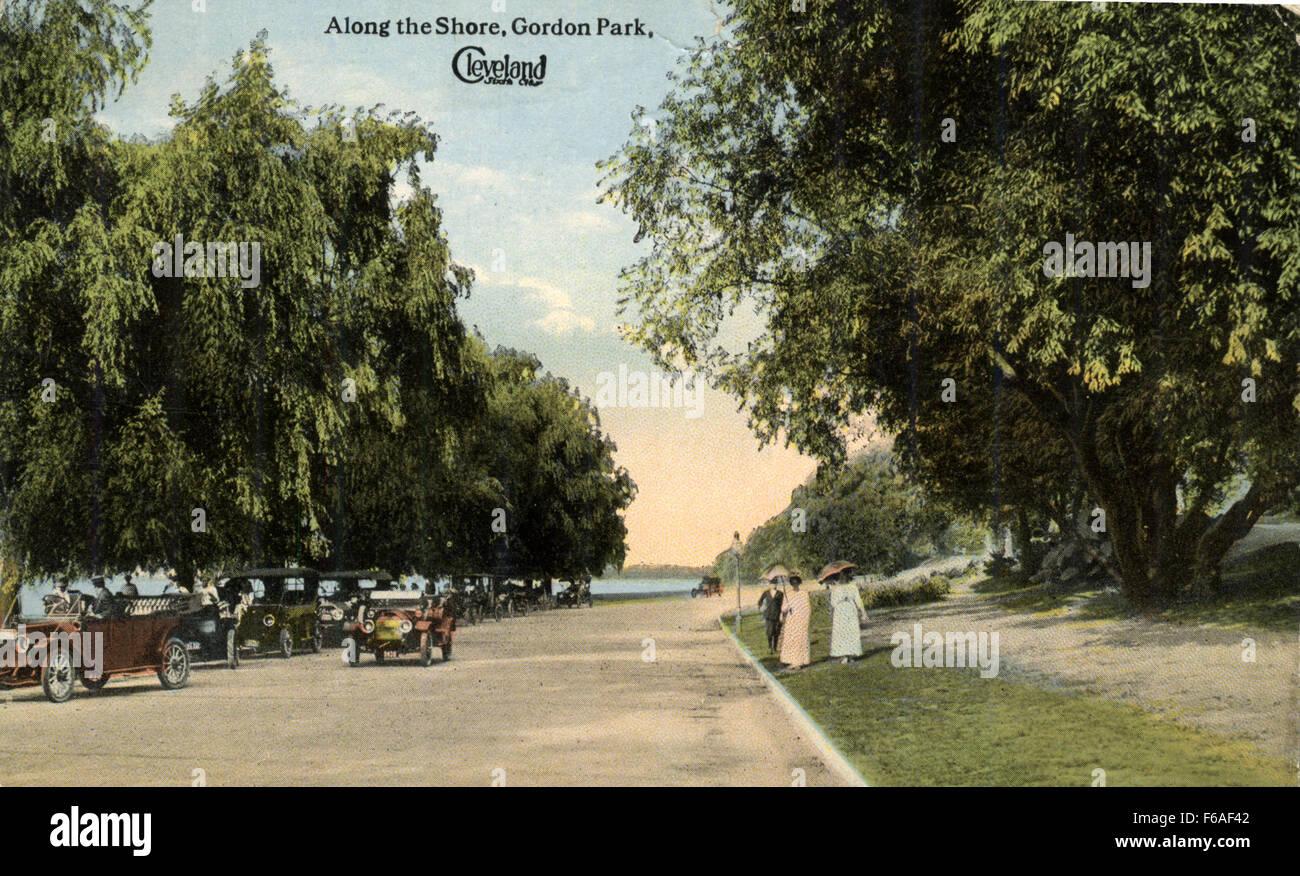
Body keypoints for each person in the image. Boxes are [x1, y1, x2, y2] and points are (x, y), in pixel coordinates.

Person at [827, 572, 866, 664]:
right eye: (841, 578)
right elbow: (833, 603)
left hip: (850, 610)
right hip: (840, 612)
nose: (843, 579)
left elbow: (858, 600)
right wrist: (840, 597)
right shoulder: (835, 589)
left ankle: (851, 654)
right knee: (842, 633)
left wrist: (863, 612)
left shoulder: (852, 587)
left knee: (851, 632)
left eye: (845, 577)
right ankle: (844, 655)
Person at [778, 575, 810, 670]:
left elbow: (807, 608)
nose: (795, 586)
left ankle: (800, 661)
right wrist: (788, 606)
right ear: (791, 584)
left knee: (800, 640)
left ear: (799, 584)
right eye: (793, 584)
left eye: (797, 584)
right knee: (792, 640)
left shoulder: (804, 594)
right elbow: (783, 608)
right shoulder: (788, 594)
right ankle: (792, 661)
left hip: (801, 619)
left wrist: (806, 619)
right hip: (791, 620)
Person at [758, 579, 785, 654]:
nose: (774, 585)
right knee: (769, 632)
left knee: (776, 632)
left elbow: (783, 603)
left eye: (775, 584)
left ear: (777, 585)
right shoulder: (766, 593)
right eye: (772, 584)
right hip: (768, 615)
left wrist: (782, 613)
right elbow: (760, 601)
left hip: (777, 614)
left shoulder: (780, 593)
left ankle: (775, 647)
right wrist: (761, 608)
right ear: (769, 585)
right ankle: (770, 647)